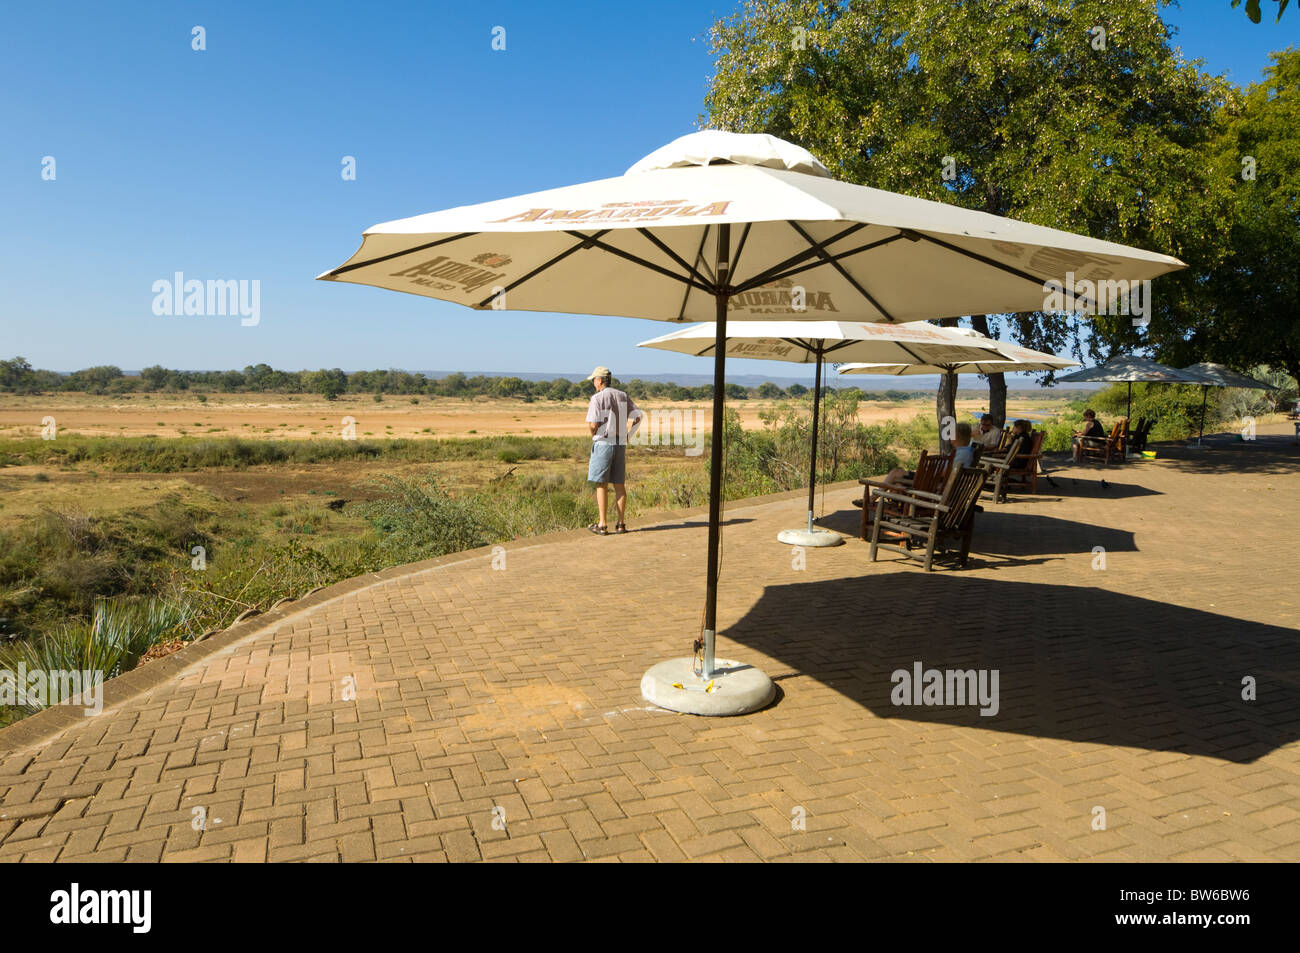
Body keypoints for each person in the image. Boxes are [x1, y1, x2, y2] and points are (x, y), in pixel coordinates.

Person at [584, 366, 642, 535]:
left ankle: (602, 524)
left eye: (594, 380)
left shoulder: (597, 398)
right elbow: (638, 416)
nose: (594, 383)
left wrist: (593, 433)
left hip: (603, 442)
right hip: (620, 443)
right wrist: (629, 434)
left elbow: (593, 424)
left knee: (601, 484)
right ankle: (621, 523)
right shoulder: (622, 395)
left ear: (600, 380)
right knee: (619, 484)